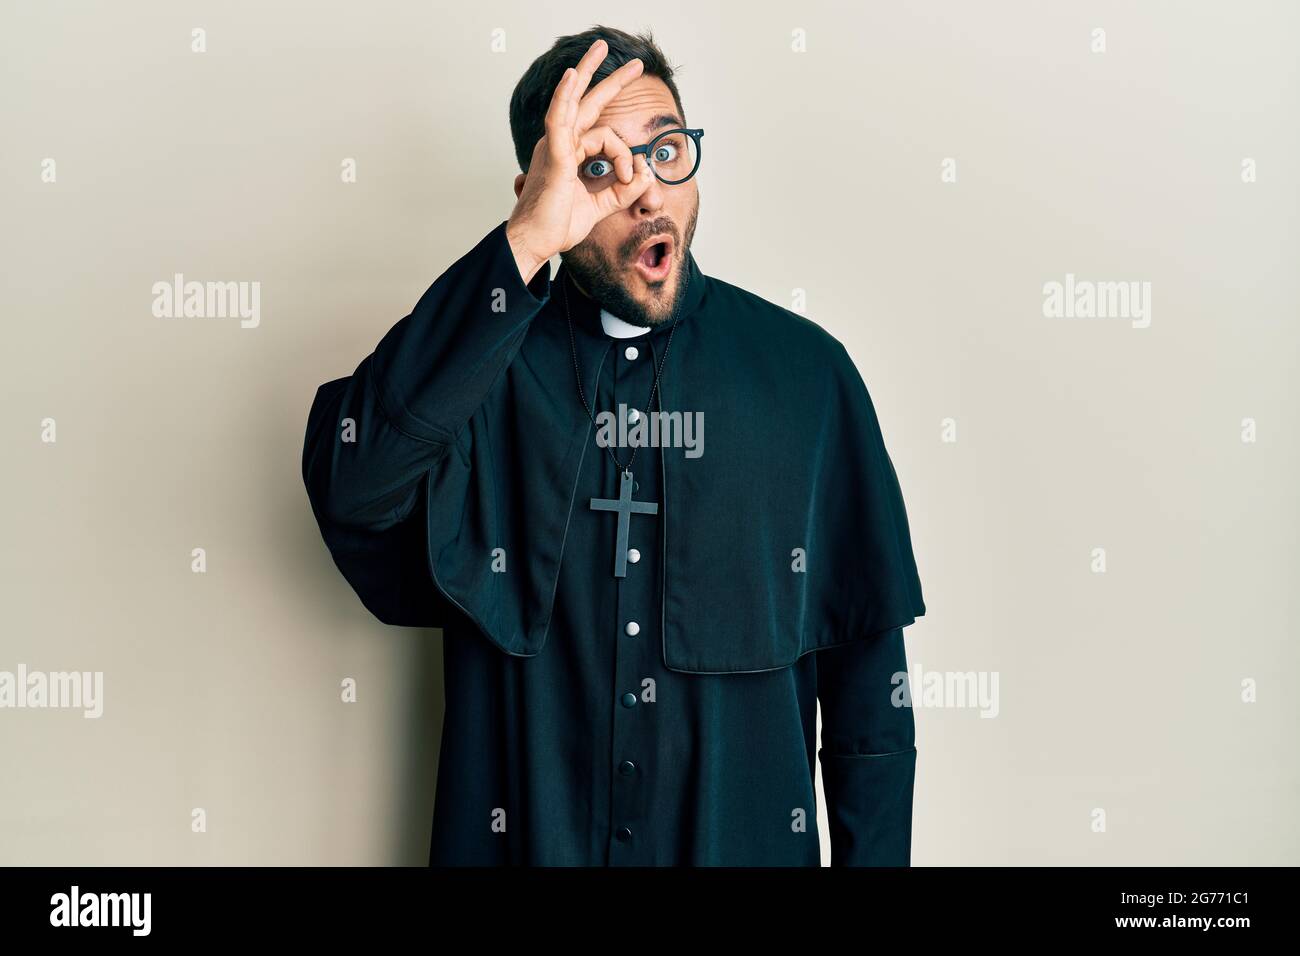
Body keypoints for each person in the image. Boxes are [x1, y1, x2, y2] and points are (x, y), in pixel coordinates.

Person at [301, 25, 926, 866]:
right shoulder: (473, 376)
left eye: (668, 150)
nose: (648, 195)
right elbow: (354, 481)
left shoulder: (808, 378)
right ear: (538, 191)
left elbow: (870, 708)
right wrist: (522, 245)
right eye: (600, 167)